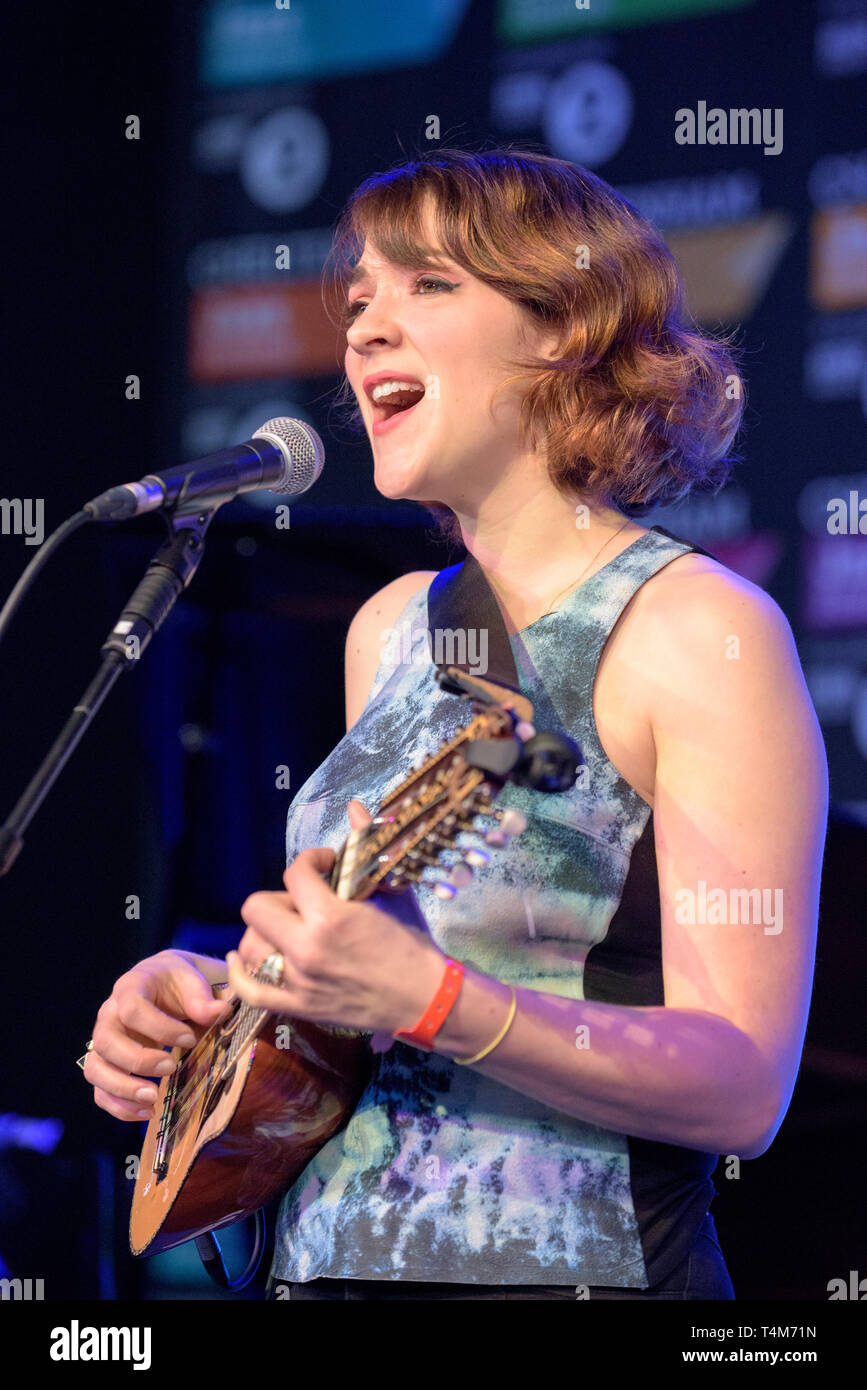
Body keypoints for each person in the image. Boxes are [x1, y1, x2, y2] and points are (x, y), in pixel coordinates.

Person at [82, 148, 828, 1300]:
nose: (366, 325)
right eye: (361, 296)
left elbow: (745, 1085)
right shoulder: (388, 630)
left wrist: (434, 999)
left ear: (565, 328)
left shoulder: (698, 629)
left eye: (426, 284)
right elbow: (364, 1001)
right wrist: (212, 1008)